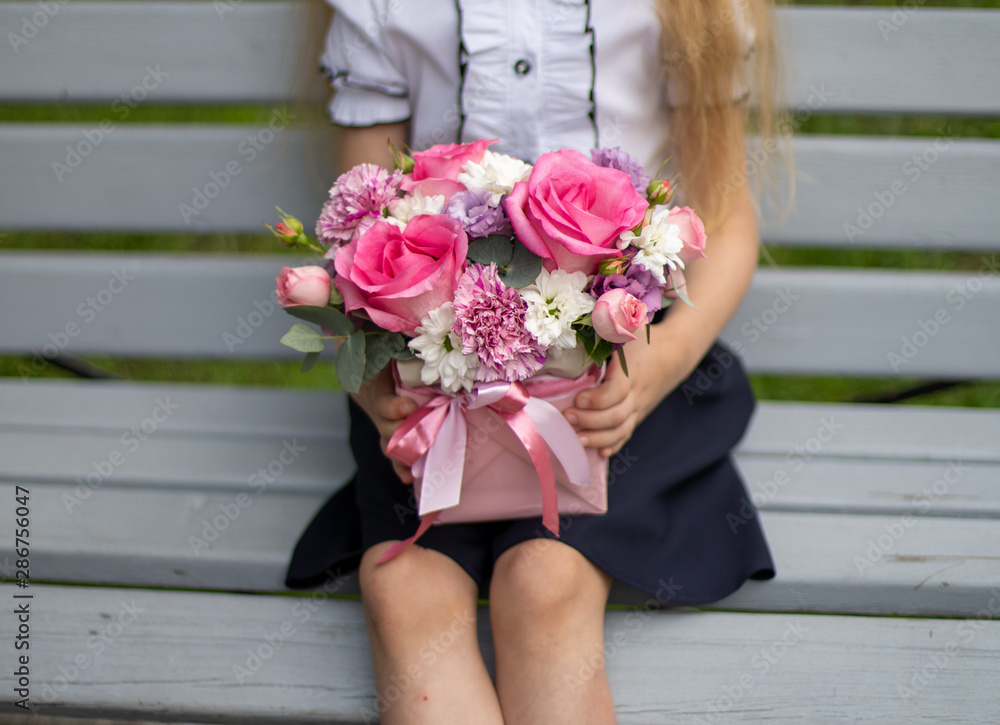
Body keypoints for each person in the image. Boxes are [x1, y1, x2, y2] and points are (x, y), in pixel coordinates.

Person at [286, 1, 781, 722]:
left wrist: (655, 368)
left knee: (544, 579)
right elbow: (362, 232)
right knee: (402, 586)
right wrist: (370, 381)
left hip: (616, 380)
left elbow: (728, 219)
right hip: (432, 382)